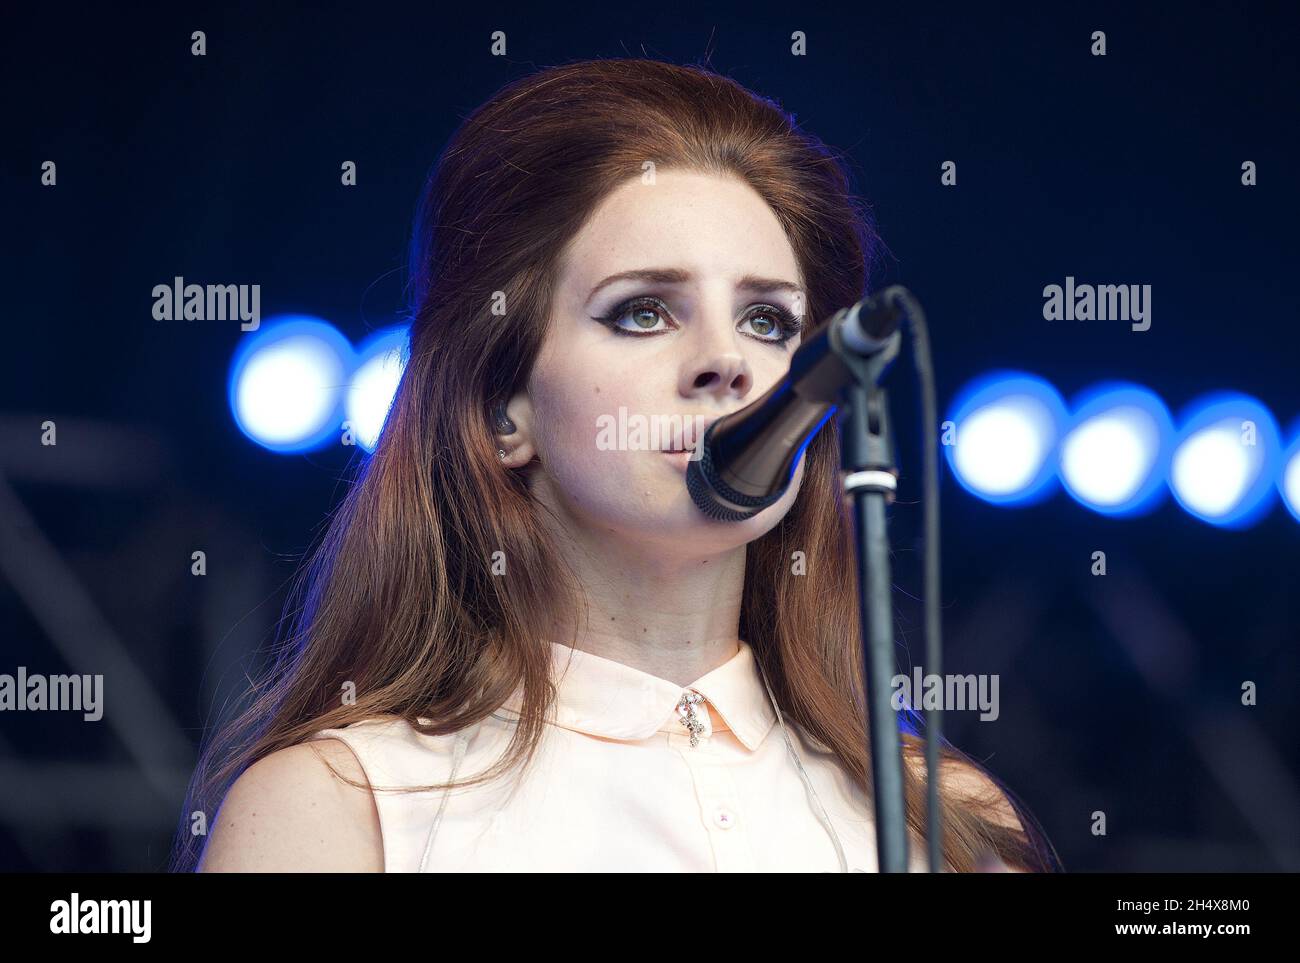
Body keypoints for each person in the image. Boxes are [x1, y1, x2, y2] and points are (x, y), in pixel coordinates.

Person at [177, 57, 1060, 873]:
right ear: (501, 410)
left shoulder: (942, 818)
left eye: (770, 322)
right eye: (643, 312)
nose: (728, 361)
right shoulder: (339, 808)